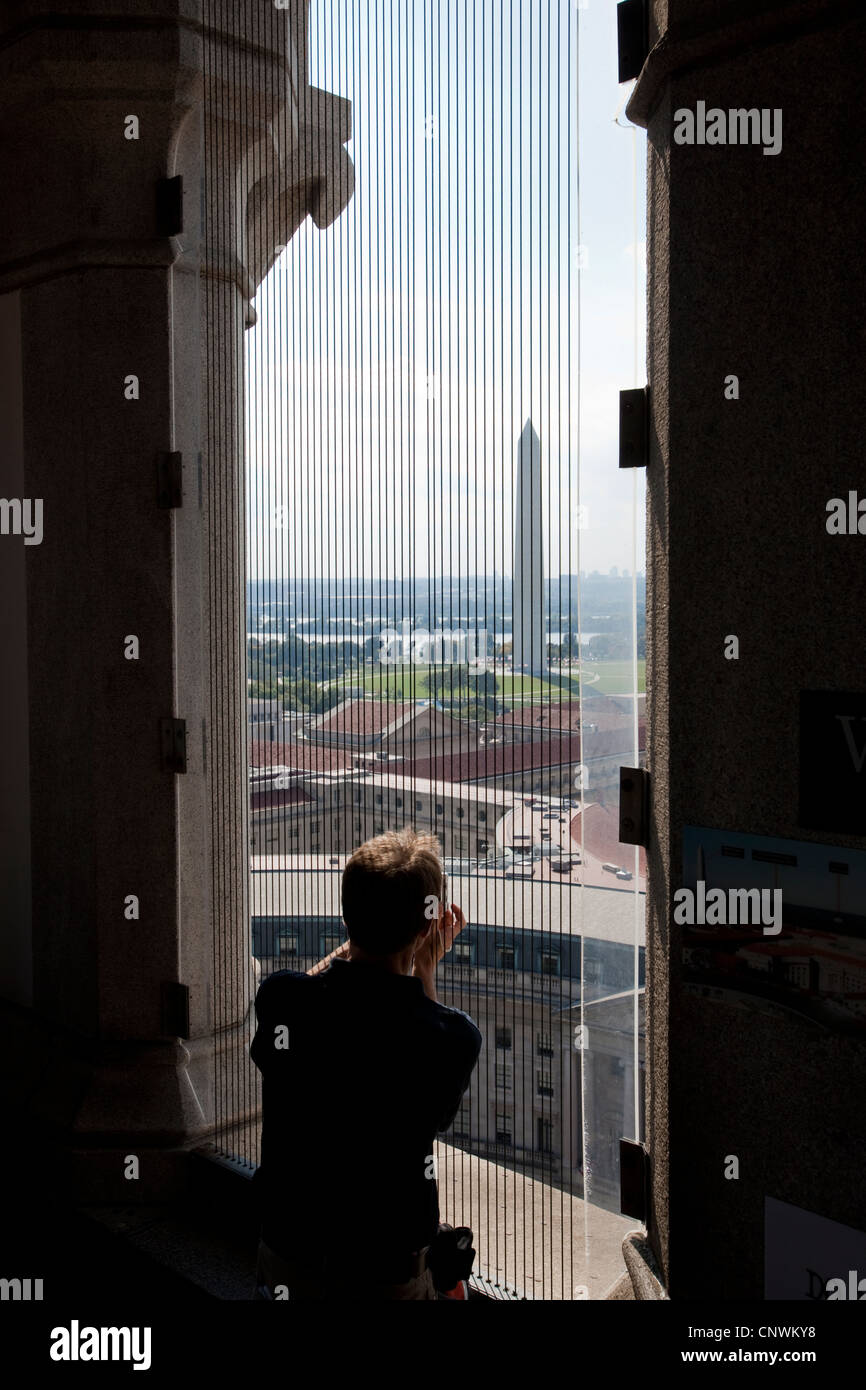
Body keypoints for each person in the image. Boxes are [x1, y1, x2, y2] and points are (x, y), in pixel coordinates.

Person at [250, 828, 482, 1301]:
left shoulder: (283, 1001)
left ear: (344, 917)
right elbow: (430, 1103)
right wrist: (423, 967)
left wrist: (373, 940)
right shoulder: (454, 1037)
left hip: (288, 1254)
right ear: (425, 931)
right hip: (383, 1271)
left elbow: (318, 985)